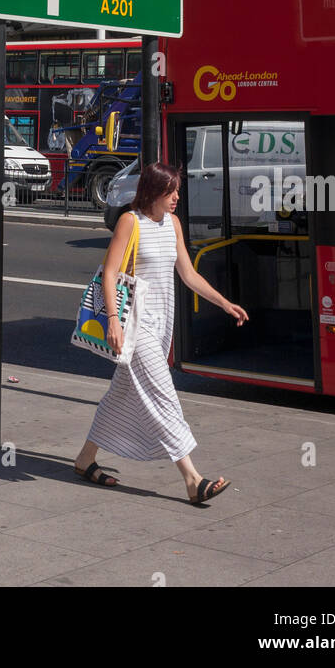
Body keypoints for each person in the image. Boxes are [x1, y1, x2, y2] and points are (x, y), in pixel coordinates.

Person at [74, 161, 248, 504]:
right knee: (163, 395)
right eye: (171, 192)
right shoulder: (129, 221)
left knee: (121, 395)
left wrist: (224, 303)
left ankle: (84, 460)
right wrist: (112, 318)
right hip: (134, 325)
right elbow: (109, 273)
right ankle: (192, 479)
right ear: (153, 192)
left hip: (160, 322)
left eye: (177, 191)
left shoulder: (173, 224)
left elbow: (188, 273)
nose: (177, 198)